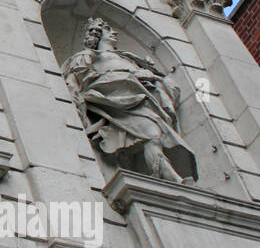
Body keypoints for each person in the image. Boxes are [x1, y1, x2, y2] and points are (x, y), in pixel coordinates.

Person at [62, 17, 197, 183]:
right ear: (97, 34)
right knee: (152, 135)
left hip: (144, 99)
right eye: (108, 30)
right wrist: (127, 76)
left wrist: (151, 77)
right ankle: (171, 179)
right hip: (117, 99)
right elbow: (81, 78)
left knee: (157, 135)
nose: (114, 32)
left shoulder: (129, 57)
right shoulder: (87, 56)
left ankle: (164, 178)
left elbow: (162, 82)